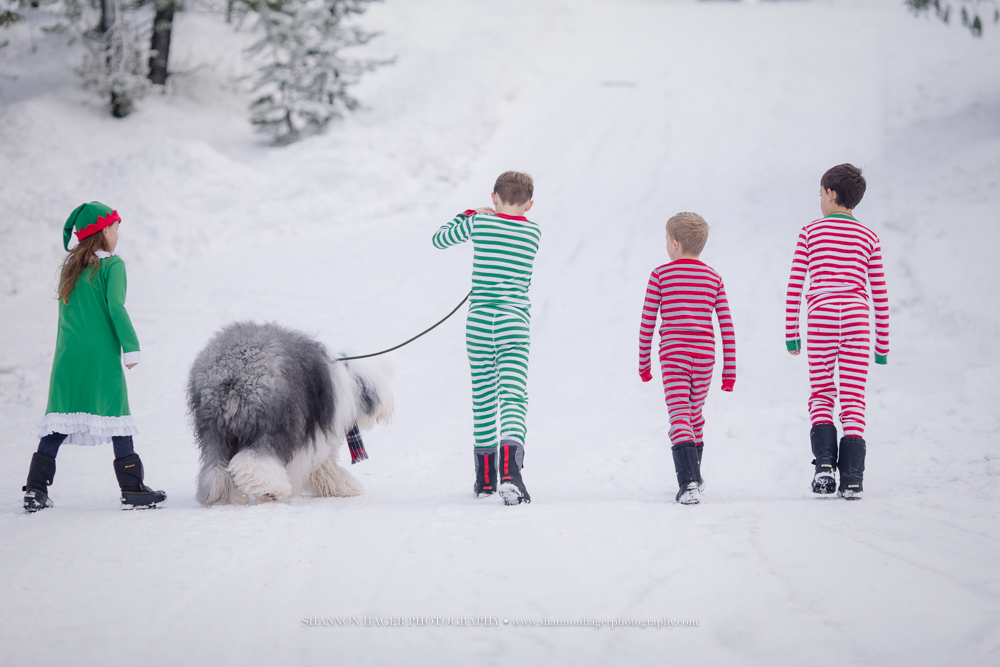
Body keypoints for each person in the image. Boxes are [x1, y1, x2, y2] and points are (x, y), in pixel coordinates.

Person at [21, 202, 166, 512]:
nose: (118, 235)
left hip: (68, 358)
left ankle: (35, 488)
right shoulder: (113, 266)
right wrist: (131, 347)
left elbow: (65, 317)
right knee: (117, 417)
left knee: (60, 420)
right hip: (101, 358)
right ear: (102, 231)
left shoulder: (71, 266)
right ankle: (132, 488)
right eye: (115, 228)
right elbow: (116, 308)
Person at [432, 171, 540, 505]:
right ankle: (509, 472)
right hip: (513, 323)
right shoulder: (533, 232)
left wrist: (470, 214)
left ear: (493, 197)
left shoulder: (479, 224)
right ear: (530, 205)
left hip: (479, 324)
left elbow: (440, 239)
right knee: (512, 395)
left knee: (483, 397)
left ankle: (484, 481)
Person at [785, 164, 888, 500]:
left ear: (831, 193)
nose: (819, 201)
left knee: (822, 392)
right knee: (853, 397)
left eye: (819, 194)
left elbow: (795, 284)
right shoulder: (869, 237)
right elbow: (880, 294)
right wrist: (881, 344)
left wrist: (792, 333)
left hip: (822, 319)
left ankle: (825, 465)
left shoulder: (810, 233)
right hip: (858, 320)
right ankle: (854, 480)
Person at [639, 212, 735, 505]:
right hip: (705, 356)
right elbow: (726, 325)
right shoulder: (713, 277)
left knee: (678, 412)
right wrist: (729, 370)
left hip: (673, 354)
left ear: (676, 243)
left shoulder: (660, 275)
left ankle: (688, 481)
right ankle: (695, 474)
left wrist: (644, 364)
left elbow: (647, 323)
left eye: (667, 240)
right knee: (694, 412)